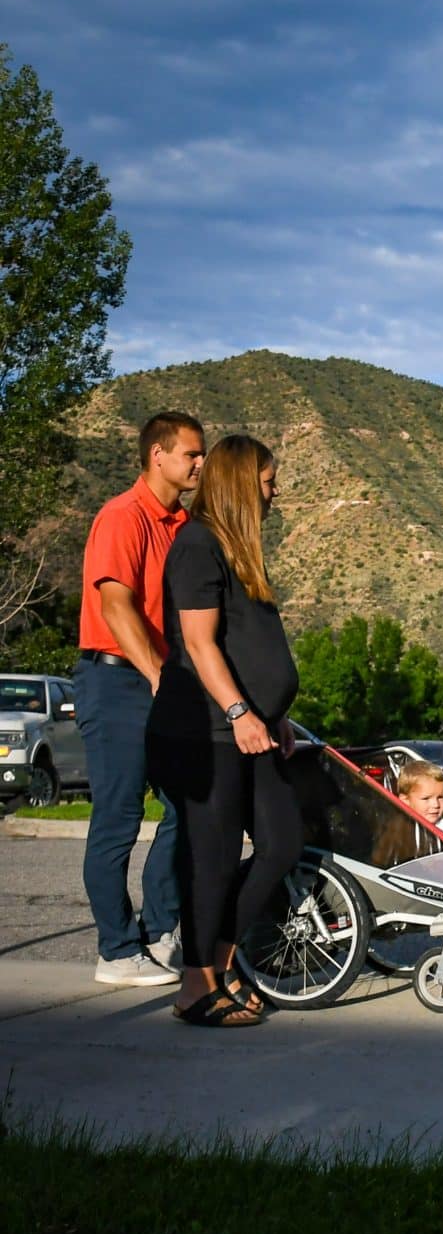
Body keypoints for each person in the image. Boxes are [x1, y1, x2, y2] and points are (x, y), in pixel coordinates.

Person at [147, 434, 300, 1027]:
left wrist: (274, 713)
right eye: (267, 481)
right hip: (207, 732)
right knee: (209, 859)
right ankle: (194, 986)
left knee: (281, 842)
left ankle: (223, 963)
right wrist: (240, 712)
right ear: (242, 484)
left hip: (252, 728)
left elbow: (249, 648)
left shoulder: (240, 551)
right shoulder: (197, 546)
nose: (275, 491)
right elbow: (199, 644)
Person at [76, 411, 206, 987]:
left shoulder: (182, 524)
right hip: (116, 681)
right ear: (159, 454)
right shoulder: (122, 517)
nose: (199, 463)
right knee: (119, 818)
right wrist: (160, 678)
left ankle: (158, 932)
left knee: (186, 809)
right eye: (191, 454)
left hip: (162, 680)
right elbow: (116, 607)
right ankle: (116, 951)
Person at [374, 758, 443, 867]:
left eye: (441, 797)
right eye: (426, 798)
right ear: (405, 800)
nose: (436, 805)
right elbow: (379, 861)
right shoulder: (397, 830)